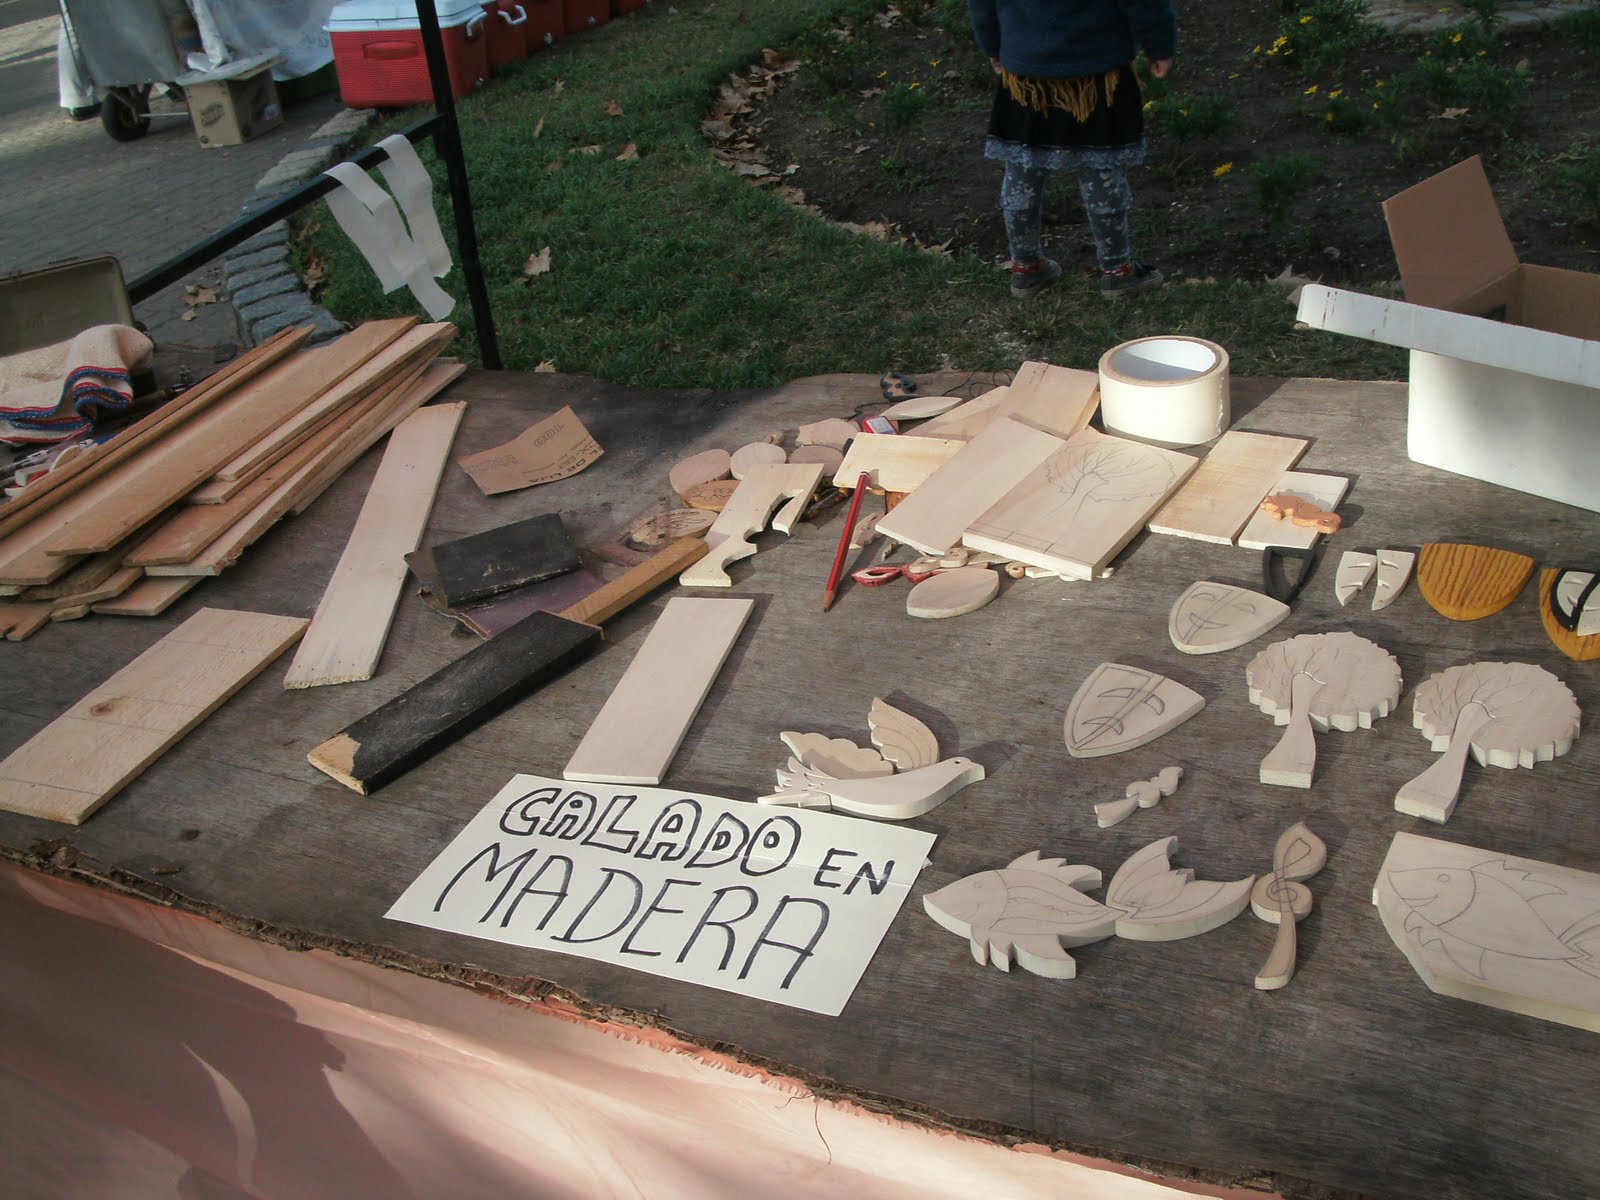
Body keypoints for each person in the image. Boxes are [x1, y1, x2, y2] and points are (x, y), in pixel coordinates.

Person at [967, 0, 1176, 299]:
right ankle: (1118, 272)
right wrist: (1159, 43)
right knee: (1102, 164)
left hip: (1026, 68)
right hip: (1096, 68)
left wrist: (992, 45)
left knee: (1023, 165)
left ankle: (1026, 268)